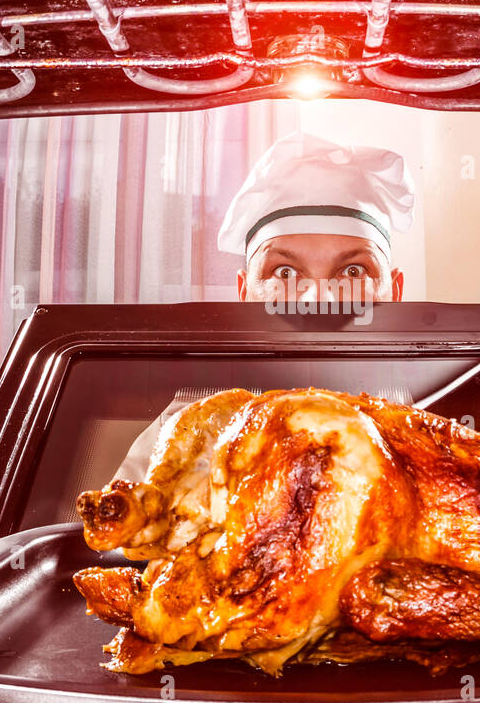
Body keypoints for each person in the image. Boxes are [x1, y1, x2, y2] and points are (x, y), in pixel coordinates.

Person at [114, 131, 415, 480]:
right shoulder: (187, 434)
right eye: (285, 272)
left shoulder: (435, 418)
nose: (317, 298)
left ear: (394, 290)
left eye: (353, 270)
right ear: (245, 294)